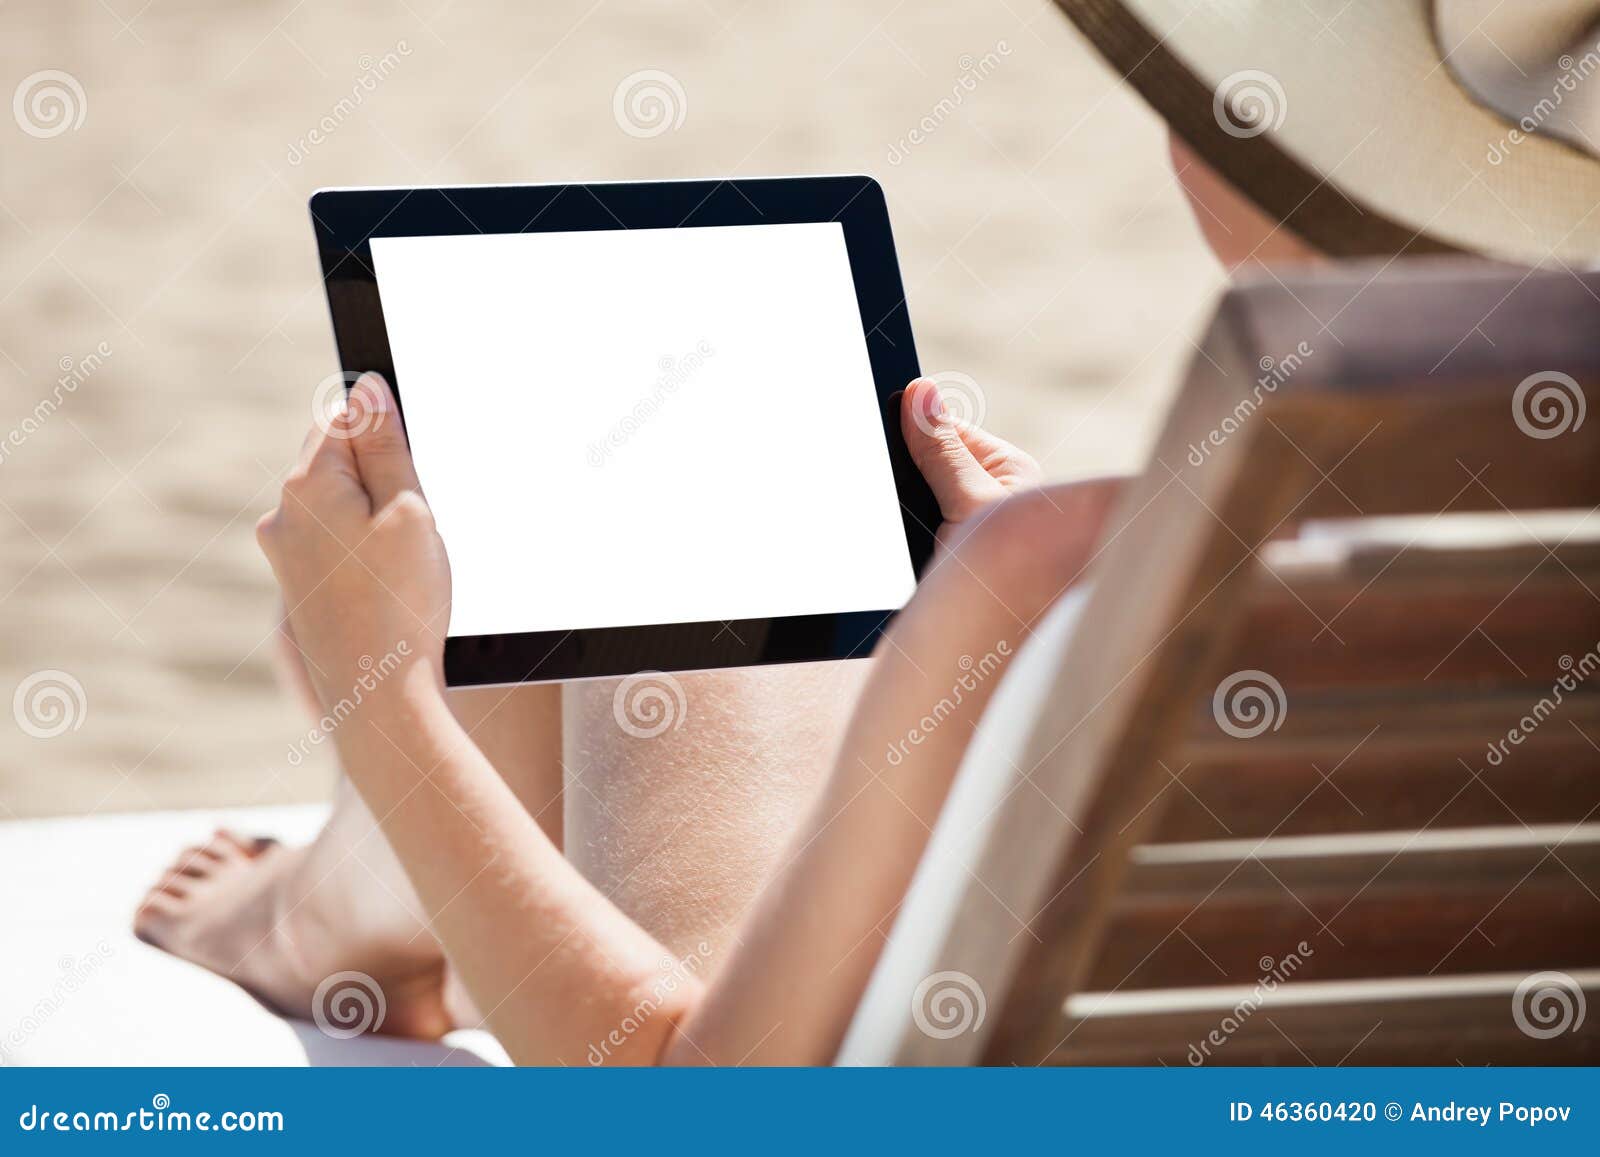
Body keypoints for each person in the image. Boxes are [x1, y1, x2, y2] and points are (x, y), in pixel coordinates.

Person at [136, 0, 1600, 1061]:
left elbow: (686, 1108)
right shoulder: (1502, 553)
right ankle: (341, 891)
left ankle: (326, 894)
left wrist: (372, 685)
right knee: (641, 611)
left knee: (667, 586)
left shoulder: (1063, 569)